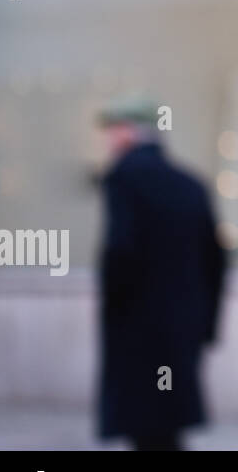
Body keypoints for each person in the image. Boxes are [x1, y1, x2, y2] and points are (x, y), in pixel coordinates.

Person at [97, 94, 228, 451]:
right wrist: (207, 324)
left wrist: (113, 308)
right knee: (165, 427)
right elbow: (216, 261)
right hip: (182, 327)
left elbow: (119, 251)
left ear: (128, 133)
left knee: (148, 429)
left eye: (113, 130)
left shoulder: (125, 178)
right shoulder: (191, 185)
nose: (109, 140)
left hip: (139, 327)